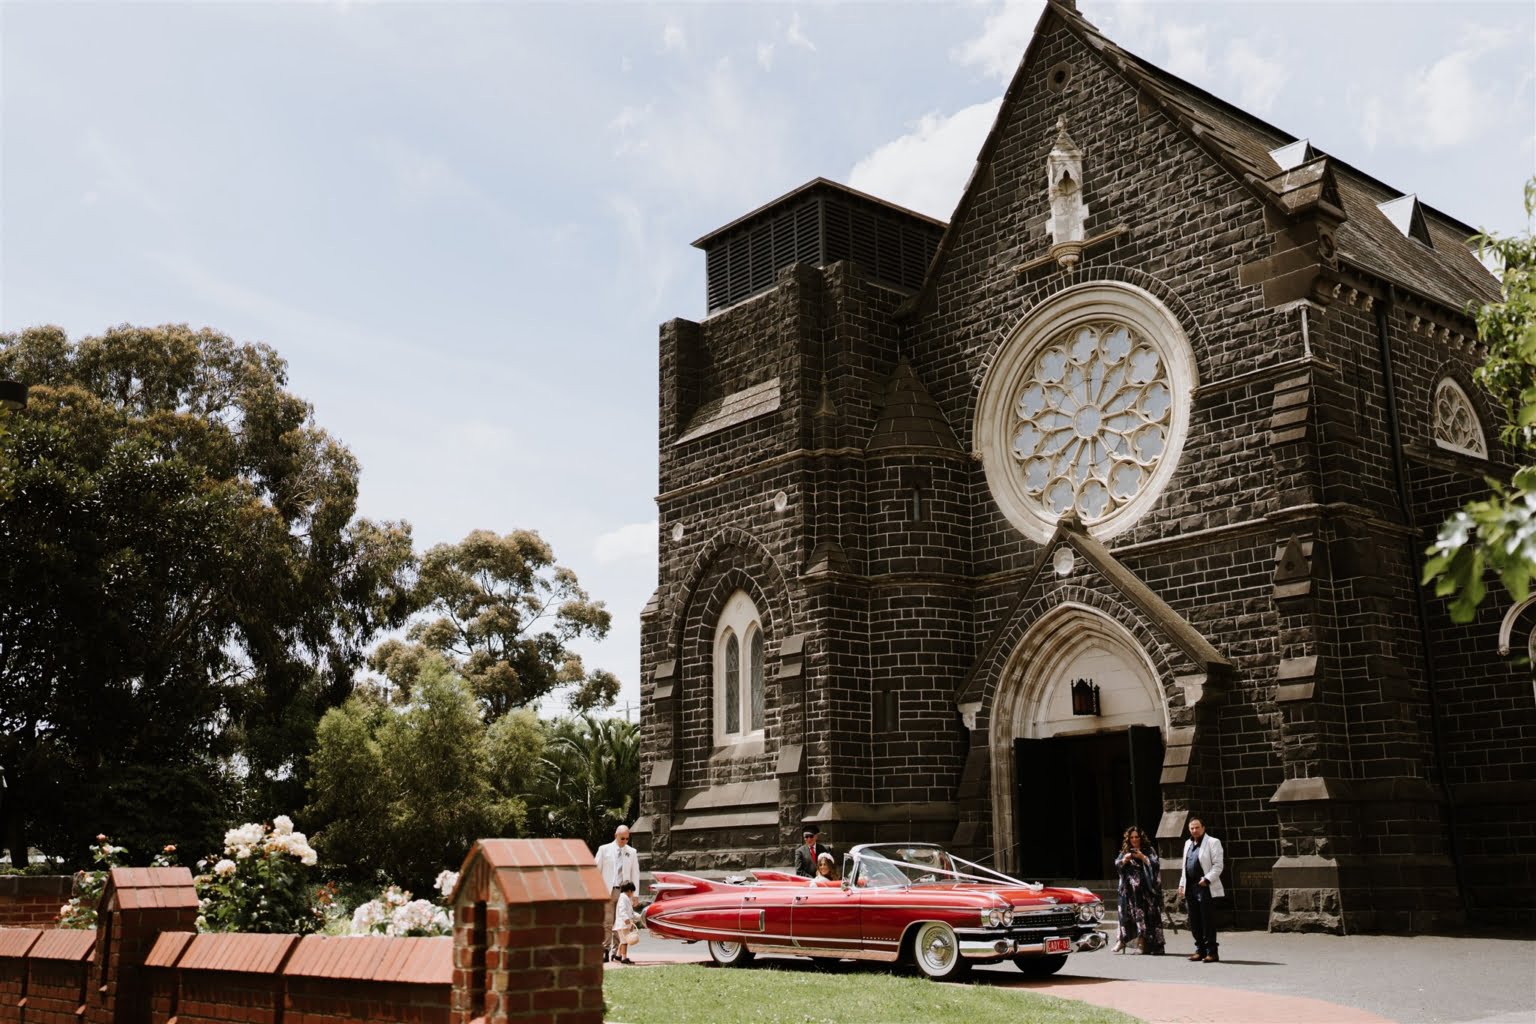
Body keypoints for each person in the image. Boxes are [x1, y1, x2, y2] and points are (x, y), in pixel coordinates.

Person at [1177, 816, 1224, 963]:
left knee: (1207, 921)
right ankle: (1200, 950)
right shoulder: (1187, 844)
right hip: (1190, 887)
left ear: (1203, 828)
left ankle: (1212, 952)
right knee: (1194, 921)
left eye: (1197, 827)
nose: (1194, 830)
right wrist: (1181, 884)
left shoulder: (1212, 842)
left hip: (1205, 887)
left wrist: (1207, 879)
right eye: (1192, 828)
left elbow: (1218, 866)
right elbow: (1185, 867)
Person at [1111, 825, 1164, 955]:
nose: (1134, 840)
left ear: (1141, 838)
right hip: (1127, 891)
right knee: (1124, 916)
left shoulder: (1148, 849)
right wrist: (1124, 860)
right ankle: (1121, 940)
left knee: (1143, 917)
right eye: (1132, 837)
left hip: (1144, 891)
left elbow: (1156, 864)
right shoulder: (1125, 850)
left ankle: (1142, 942)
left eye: (1137, 837)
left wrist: (1142, 858)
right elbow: (1117, 865)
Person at [594, 824, 640, 963]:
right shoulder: (604, 849)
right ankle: (605, 950)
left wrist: (635, 894)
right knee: (607, 922)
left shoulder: (631, 852)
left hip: (624, 893)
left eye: (627, 839)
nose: (625, 841)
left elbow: (635, 873)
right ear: (615, 835)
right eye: (622, 838)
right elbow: (596, 870)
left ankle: (616, 952)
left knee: (620, 923)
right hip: (608, 890)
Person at [611, 881, 639, 964]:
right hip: (623, 924)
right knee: (625, 942)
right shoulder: (624, 898)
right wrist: (628, 923)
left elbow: (630, 912)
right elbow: (622, 911)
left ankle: (618, 955)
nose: (632, 894)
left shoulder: (624, 898)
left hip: (622, 924)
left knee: (623, 941)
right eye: (632, 892)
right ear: (629, 891)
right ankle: (624, 958)